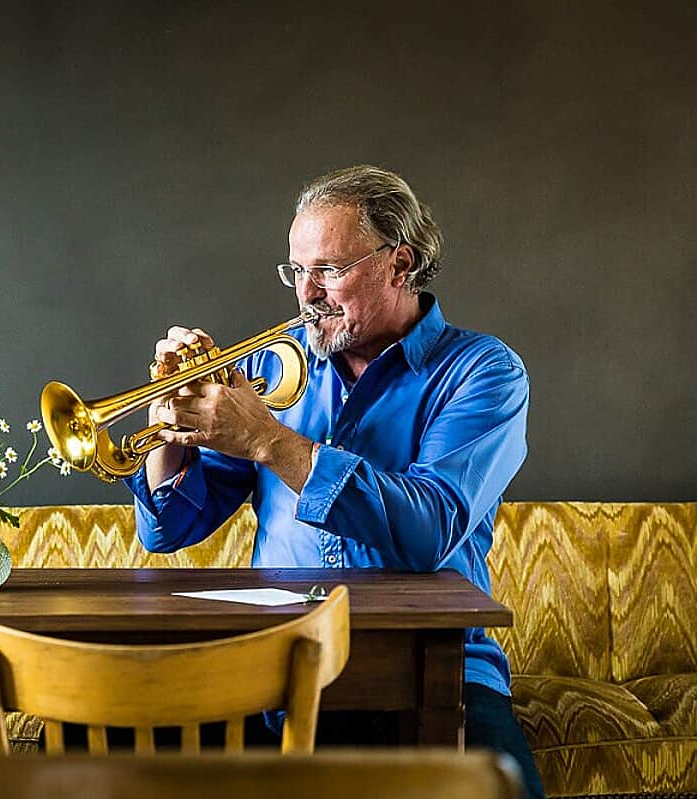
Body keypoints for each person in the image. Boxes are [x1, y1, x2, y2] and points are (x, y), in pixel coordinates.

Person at [123, 165, 544, 799]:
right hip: (274, 663)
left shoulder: (483, 372)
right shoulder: (273, 363)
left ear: (398, 263)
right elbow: (170, 530)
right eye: (296, 270)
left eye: (329, 269)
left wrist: (268, 439)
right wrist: (170, 429)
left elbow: (427, 529)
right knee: (79, 747)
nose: (306, 292)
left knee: (501, 789)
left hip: (432, 666)